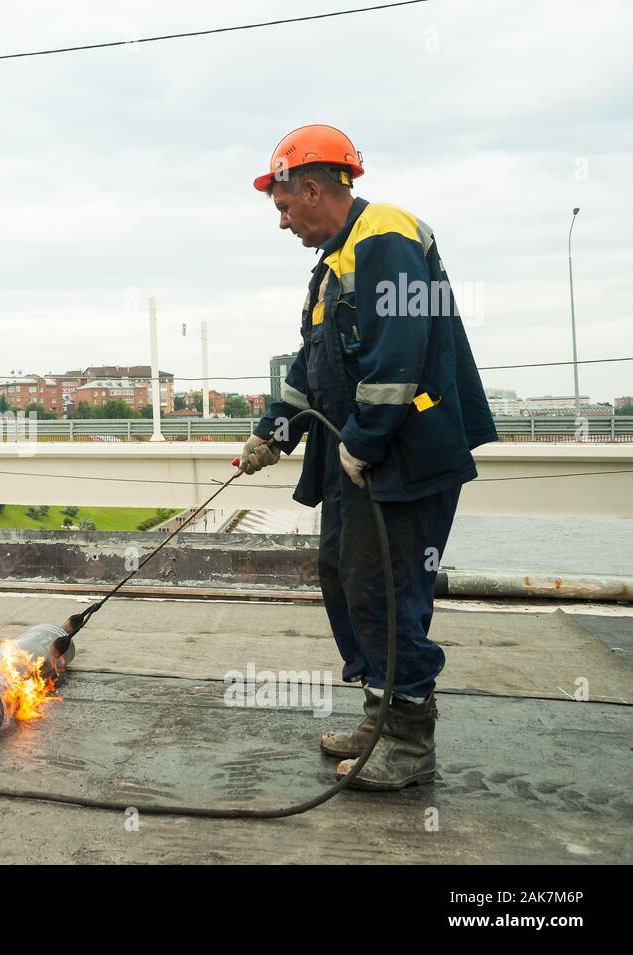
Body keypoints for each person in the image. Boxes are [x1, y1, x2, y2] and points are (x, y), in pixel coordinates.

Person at [239, 126, 497, 789]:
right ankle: (379, 710)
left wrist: (363, 440)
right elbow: (312, 365)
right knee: (344, 576)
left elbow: (399, 351)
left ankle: (408, 743)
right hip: (364, 462)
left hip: (404, 456)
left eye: (283, 206)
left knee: (386, 589)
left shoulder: (385, 233)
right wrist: (274, 429)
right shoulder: (334, 264)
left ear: (315, 189)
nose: (282, 221)